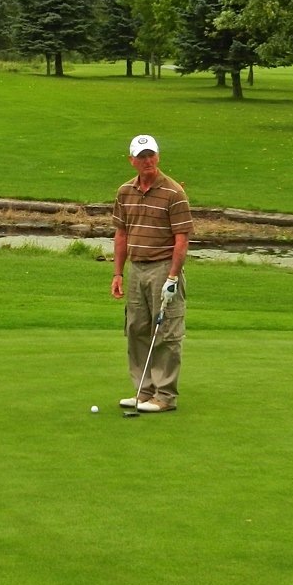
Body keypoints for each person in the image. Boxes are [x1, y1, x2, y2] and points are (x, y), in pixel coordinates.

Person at [110, 134, 193, 413]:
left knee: (166, 331)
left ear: (157, 156)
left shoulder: (173, 192)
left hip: (162, 267)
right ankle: (143, 391)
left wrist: (172, 277)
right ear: (132, 160)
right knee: (137, 328)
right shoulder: (124, 192)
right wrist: (118, 273)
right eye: (142, 156)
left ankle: (165, 395)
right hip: (136, 268)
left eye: (151, 155)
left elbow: (181, 238)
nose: (148, 161)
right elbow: (121, 234)